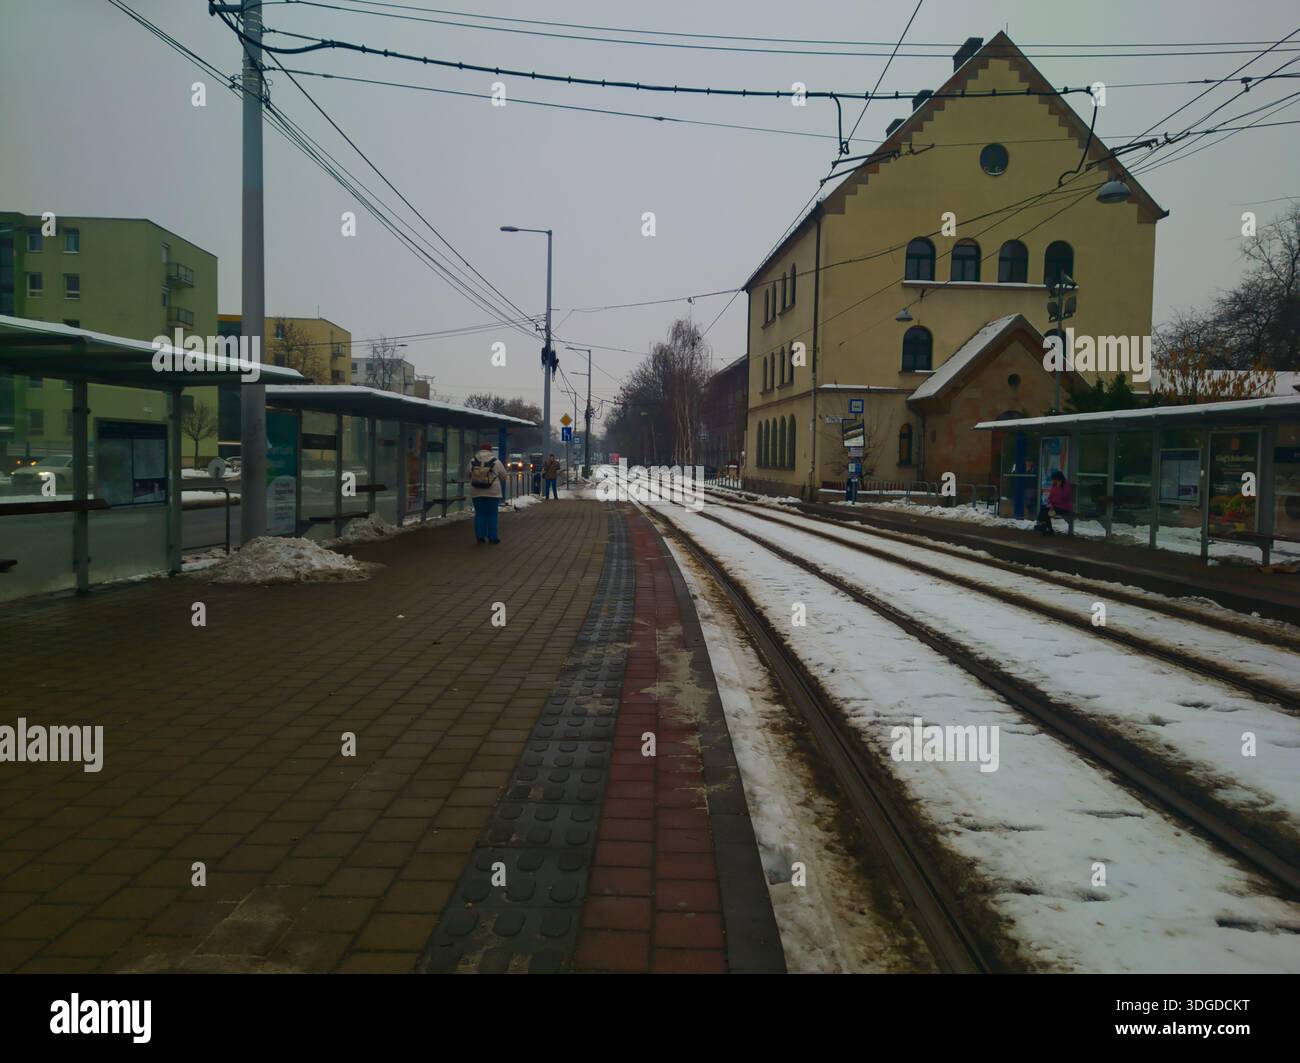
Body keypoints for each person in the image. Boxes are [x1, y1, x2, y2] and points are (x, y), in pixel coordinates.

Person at [467, 442, 507, 544]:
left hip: (476, 492)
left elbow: (467, 474)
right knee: (492, 515)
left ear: (480, 450)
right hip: (493, 493)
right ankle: (493, 538)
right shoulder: (496, 461)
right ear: (490, 450)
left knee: (480, 514)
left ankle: (480, 537)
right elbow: (504, 476)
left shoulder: (472, 461)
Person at [1035, 469, 1075, 536]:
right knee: (1043, 509)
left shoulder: (1066, 486)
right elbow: (1050, 497)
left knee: (1046, 512)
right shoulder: (1054, 485)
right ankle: (1046, 527)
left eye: (1054, 479)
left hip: (1063, 507)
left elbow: (1064, 497)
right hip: (1054, 506)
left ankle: (1046, 528)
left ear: (1058, 479)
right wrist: (1051, 504)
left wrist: (1059, 488)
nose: (1053, 481)